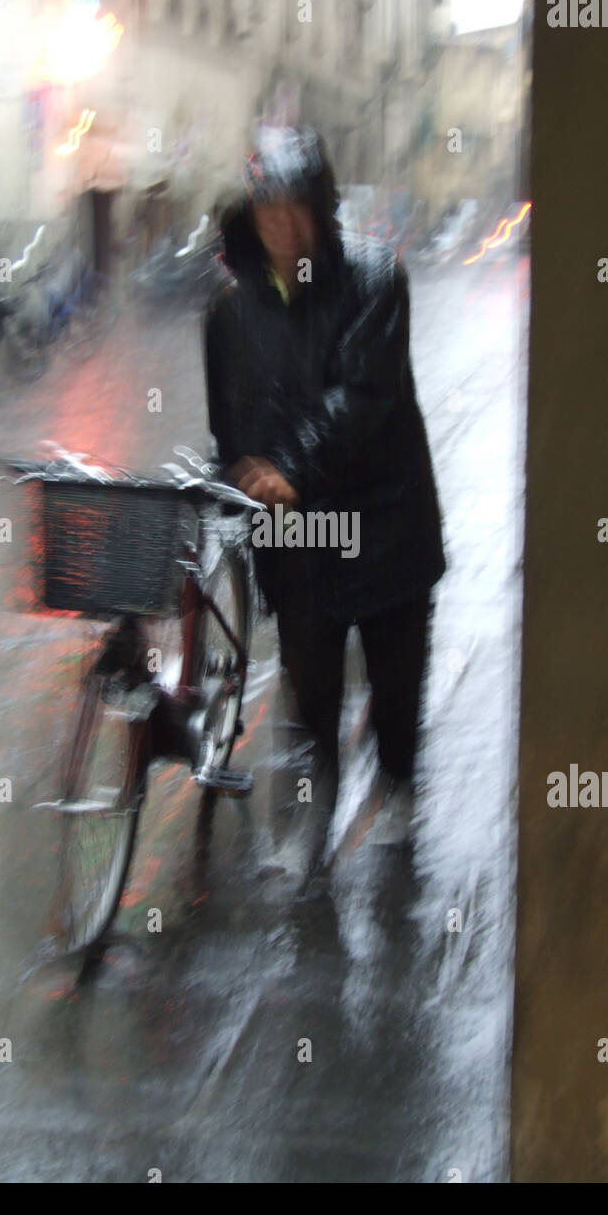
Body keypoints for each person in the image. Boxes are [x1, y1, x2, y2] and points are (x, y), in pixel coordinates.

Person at [202, 125, 446, 890]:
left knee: (395, 681)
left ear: (321, 210)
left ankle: (400, 787)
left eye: (295, 208)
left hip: (383, 526)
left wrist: (291, 468)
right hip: (299, 541)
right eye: (267, 208)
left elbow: (362, 396)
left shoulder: (374, 281)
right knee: (310, 696)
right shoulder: (228, 315)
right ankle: (313, 815)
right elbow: (230, 426)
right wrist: (235, 490)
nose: (281, 224)